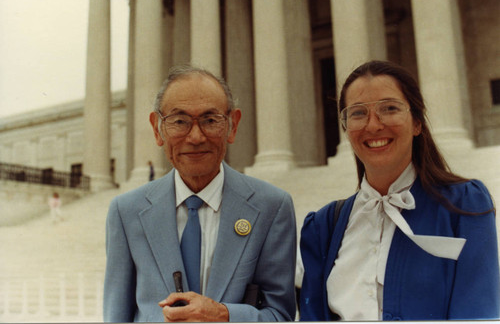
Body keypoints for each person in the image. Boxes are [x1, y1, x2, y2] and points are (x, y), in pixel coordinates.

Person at [300, 60, 500, 321]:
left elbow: (479, 312)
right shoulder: (323, 226)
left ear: (417, 122)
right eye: (358, 113)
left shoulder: (464, 203)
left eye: (389, 108)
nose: (373, 125)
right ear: (346, 128)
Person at [103, 65, 297, 322]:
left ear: (232, 125)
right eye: (179, 121)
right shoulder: (126, 211)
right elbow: (117, 314)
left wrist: (224, 315)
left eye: (210, 120)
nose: (195, 137)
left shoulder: (272, 207)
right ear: (157, 128)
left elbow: (281, 314)